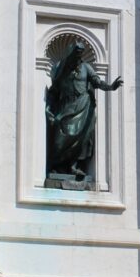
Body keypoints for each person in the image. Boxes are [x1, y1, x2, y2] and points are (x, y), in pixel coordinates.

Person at [45, 40, 123, 183]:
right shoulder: (60, 68)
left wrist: (111, 87)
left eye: (80, 54)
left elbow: (97, 82)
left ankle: (73, 166)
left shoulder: (86, 68)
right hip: (66, 107)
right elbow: (54, 90)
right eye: (76, 53)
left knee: (82, 138)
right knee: (60, 136)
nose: (78, 57)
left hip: (83, 105)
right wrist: (49, 107)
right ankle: (57, 165)